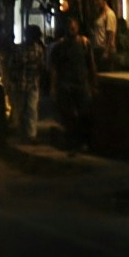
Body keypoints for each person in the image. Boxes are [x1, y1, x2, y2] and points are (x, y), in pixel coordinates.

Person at [48, 12, 96, 154]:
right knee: (69, 115)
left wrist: (93, 83)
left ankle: (82, 142)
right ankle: (73, 142)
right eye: (69, 26)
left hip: (81, 83)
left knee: (84, 114)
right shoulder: (59, 46)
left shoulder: (84, 43)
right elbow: (54, 68)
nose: (72, 28)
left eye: (74, 26)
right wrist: (53, 86)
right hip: (65, 84)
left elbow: (91, 64)